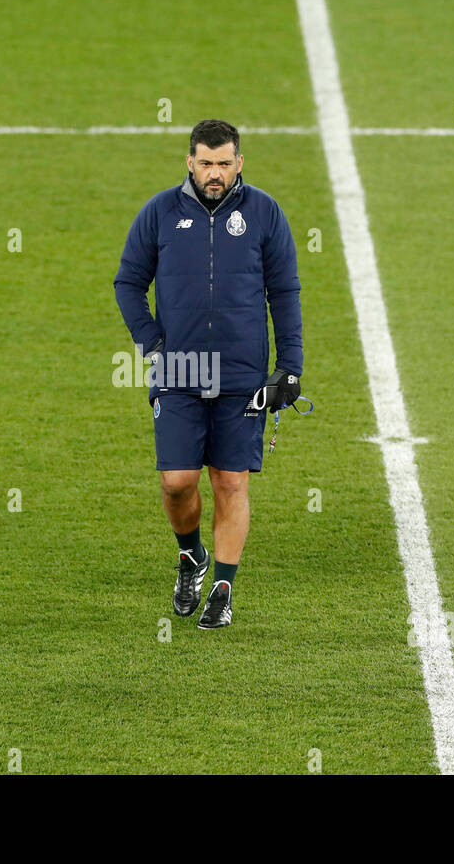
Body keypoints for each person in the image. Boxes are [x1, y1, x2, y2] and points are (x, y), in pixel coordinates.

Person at [114, 119, 304, 630]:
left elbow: (284, 292)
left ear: (239, 163)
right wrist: (152, 342)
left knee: (229, 481)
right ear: (189, 162)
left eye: (224, 163)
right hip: (178, 369)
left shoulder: (265, 213)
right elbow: (128, 282)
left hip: (243, 374)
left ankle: (222, 585)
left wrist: (290, 366)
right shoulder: (159, 212)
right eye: (205, 163)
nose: (214, 173)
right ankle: (190, 555)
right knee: (177, 482)